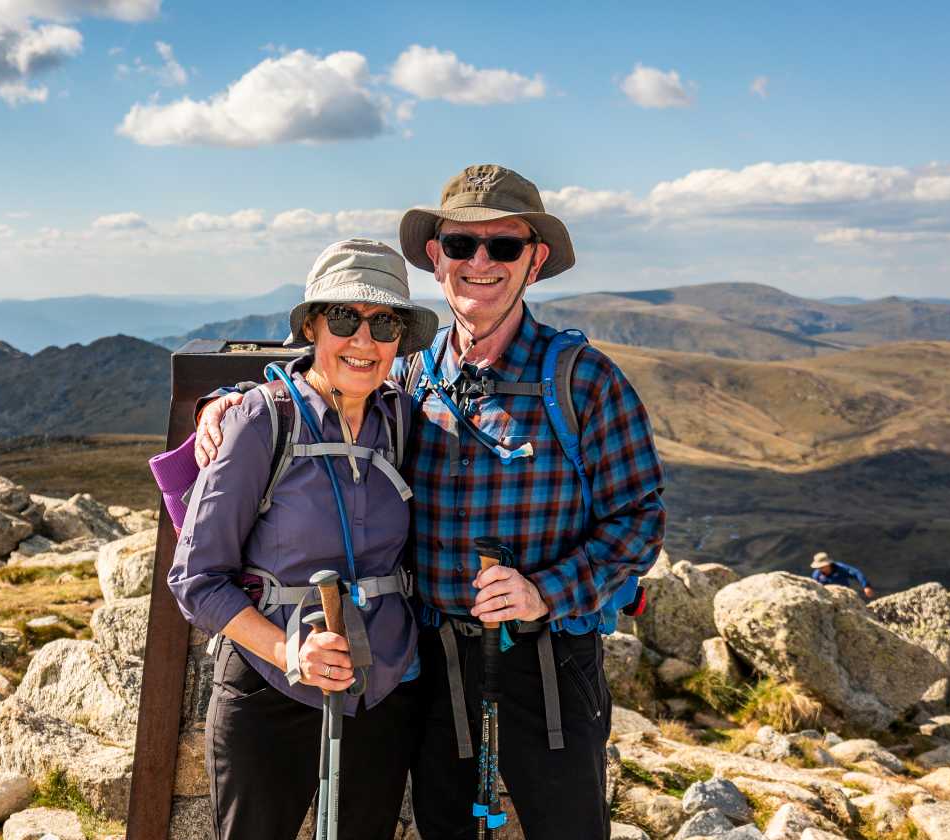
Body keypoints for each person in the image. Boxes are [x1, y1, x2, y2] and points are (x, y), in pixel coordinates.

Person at [196, 165, 667, 839]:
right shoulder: (412, 372)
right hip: (432, 664)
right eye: (460, 246)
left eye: (503, 247)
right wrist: (231, 401)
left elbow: (641, 518)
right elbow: (328, 370)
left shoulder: (584, 380)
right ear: (435, 259)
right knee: (446, 827)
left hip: (548, 660)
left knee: (567, 827)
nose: (480, 262)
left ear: (534, 262)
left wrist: (546, 591)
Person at [168, 238, 439, 840]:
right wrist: (291, 653)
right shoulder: (260, 420)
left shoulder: (400, 417)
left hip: (380, 689)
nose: (364, 340)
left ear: (401, 339)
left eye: (385, 323)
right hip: (270, 690)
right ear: (312, 326)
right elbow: (196, 580)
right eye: (344, 318)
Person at [809, 552, 874, 599]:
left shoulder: (840, 568)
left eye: (822, 567)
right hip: (828, 597)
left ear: (828, 564)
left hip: (845, 595)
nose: (820, 569)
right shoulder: (817, 575)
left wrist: (866, 586)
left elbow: (856, 573)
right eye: (819, 567)